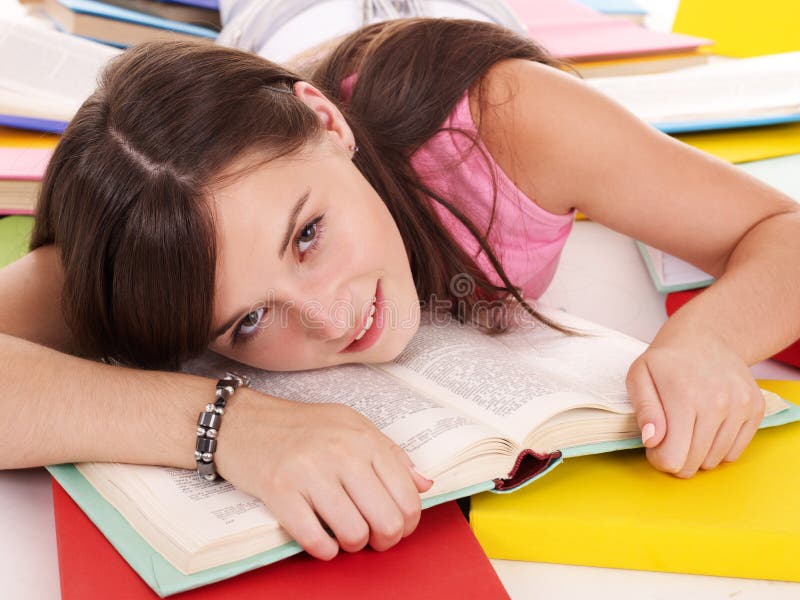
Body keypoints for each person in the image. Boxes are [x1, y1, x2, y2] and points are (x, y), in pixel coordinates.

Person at [2, 18, 799, 562]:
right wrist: (231, 427)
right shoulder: (156, 220)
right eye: (248, 319)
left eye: (307, 235)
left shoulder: (499, 115)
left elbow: (782, 228)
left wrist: (709, 337)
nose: (327, 317)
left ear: (327, 122)